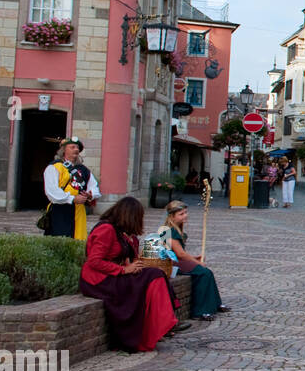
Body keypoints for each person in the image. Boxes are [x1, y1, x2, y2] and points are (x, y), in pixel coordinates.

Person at [79, 197, 180, 352]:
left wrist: (133, 265)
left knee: (155, 275)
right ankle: (161, 324)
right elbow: (94, 261)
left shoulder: (125, 234)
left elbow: (128, 258)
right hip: (99, 280)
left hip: (115, 275)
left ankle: (163, 322)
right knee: (152, 277)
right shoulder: (106, 229)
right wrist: (123, 270)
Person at [161, 200, 229, 322]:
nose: (185, 215)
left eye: (185, 213)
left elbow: (180, 253)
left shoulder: (175, 229)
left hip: (176, 261)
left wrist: (193, 258)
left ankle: (215, 304)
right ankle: (199, 311)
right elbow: (180, 254)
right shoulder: (170, 230)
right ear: (172, 216)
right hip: (171, 263)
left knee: (207, 272)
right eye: (181, 214)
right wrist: (197, 262)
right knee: (203, 273)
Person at [43, 138, 95, 240]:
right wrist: (72, 199)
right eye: (72, 147)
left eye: (77, 148)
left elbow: (94, 187)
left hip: (79, 211)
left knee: (78, 239)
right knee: (59, 241)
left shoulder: (83, 170)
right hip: (60, 210)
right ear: (63, 151)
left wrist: (90, 195)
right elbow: (51, 191)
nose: (76, 149)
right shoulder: (54, 167)